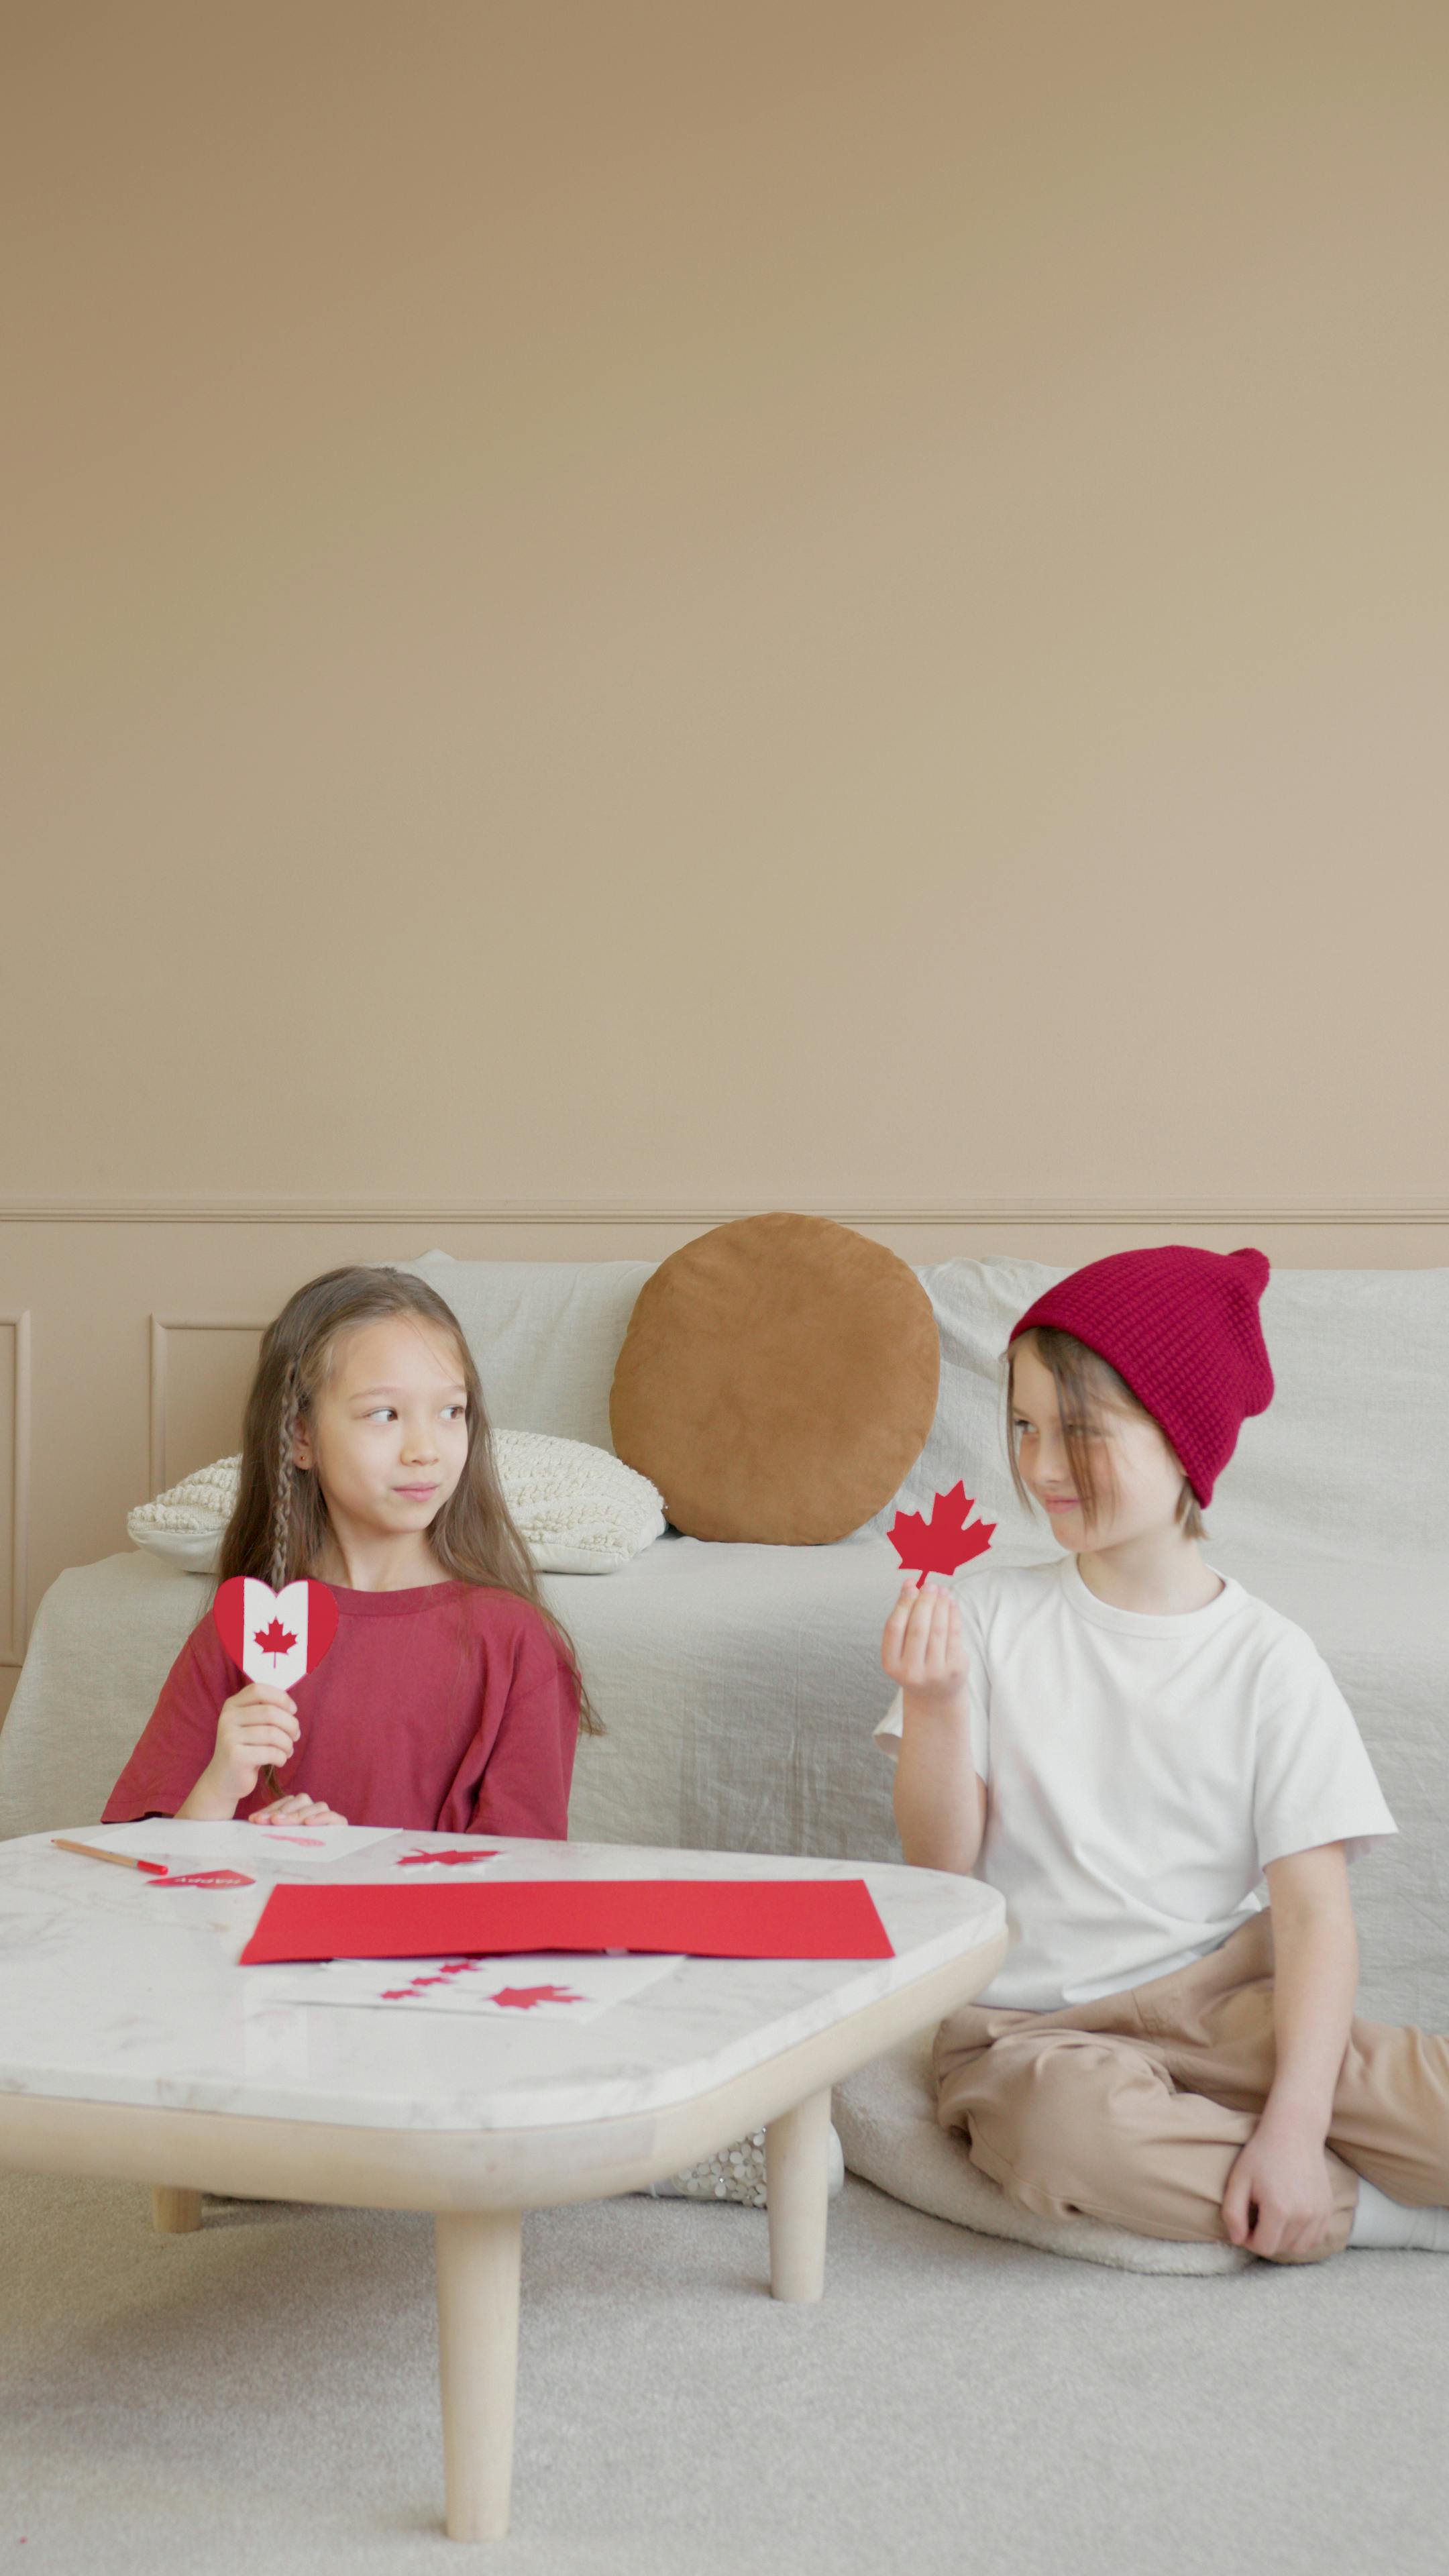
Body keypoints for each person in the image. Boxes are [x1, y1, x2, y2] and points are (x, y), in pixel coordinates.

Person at [875, 1243, 1449, 2263]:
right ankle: (1374, 2219)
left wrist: (1296, 2122)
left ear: (1184, 1440)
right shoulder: (989, 1617)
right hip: (1031, 2031)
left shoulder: (1272, 1660)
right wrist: (937, 1704)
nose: (1042, 1465)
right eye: (1023, 1426)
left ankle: (1285, 2165)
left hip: (1223, 2001)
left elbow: (1316, 1916)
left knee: (1419, 2101)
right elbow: (939, 1865)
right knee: (1070, 2142)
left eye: (1080, 1432)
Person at [104, 1265, 600, 1839]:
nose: (425, 1450)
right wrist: (221, 1783)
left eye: (451, 1412)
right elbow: (150, 1875)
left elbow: (522, 1893)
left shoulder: (518, 1643)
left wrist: (350, 1863)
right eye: (384, 1414)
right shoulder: (242, 1630)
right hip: (250, 1924)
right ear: (301, 1437)